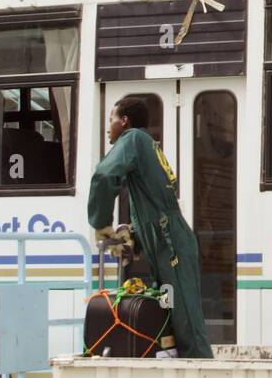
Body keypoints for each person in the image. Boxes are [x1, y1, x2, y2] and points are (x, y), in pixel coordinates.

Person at [87, 96, 214, 359]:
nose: (109, 127)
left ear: (125, 121)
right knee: (173, 322)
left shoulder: (132, 139)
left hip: (170, 243)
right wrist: (133, 235)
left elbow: (103, 175)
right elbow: (152, 205)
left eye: (111, 119)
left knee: (187, 324)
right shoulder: (148, 146)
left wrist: (101, 224)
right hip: (168, 240)